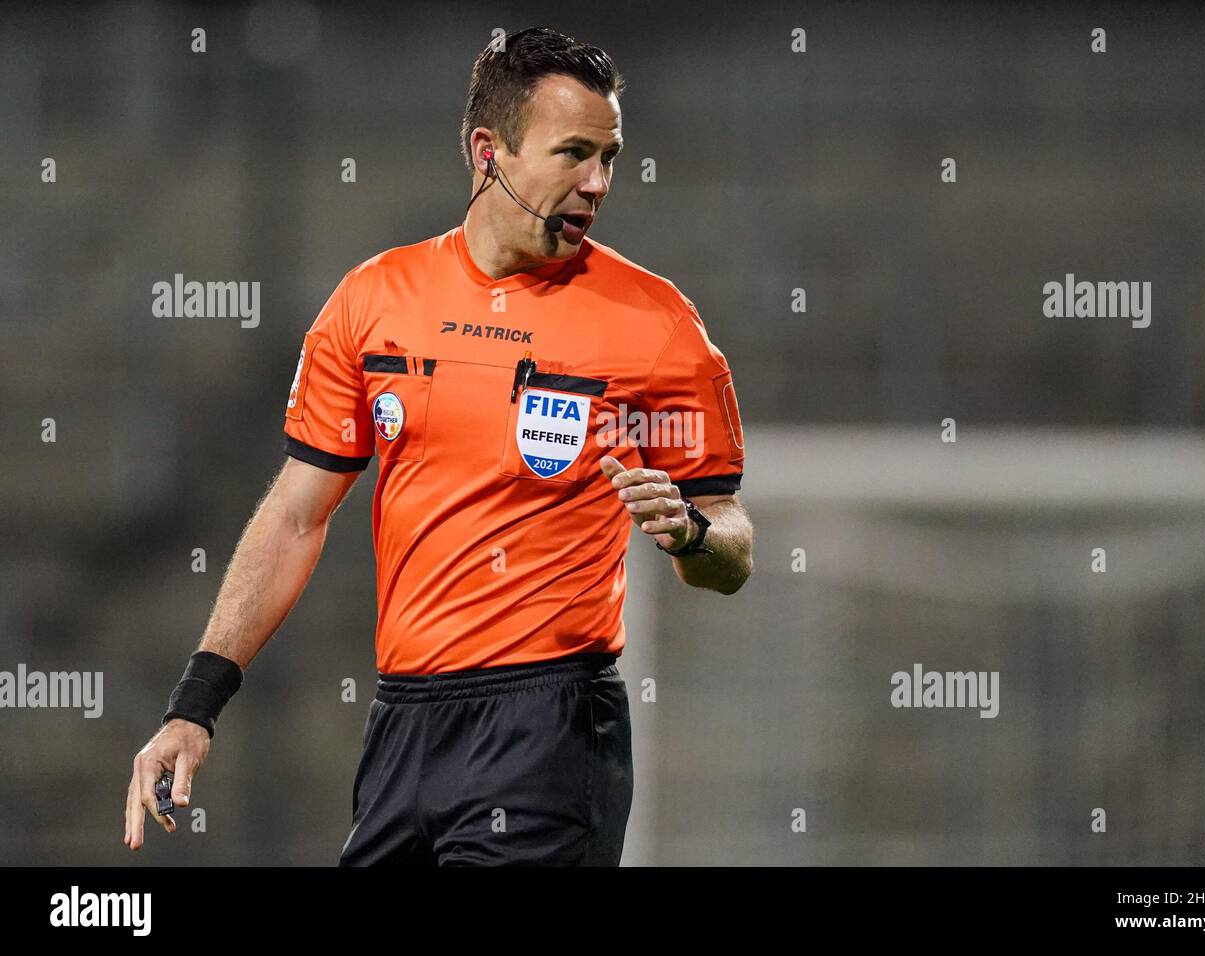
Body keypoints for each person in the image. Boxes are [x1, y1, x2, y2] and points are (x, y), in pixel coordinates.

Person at [123, 26, 752, 866]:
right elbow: (296, 519)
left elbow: (732, 542)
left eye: (609, 158)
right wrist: (193, 705)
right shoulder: (372, 302)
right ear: (490, 151)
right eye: (573, 154)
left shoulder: (656, 324)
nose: (597, 184)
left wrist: (695, 536)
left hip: (549, 728)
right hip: (403, 729)